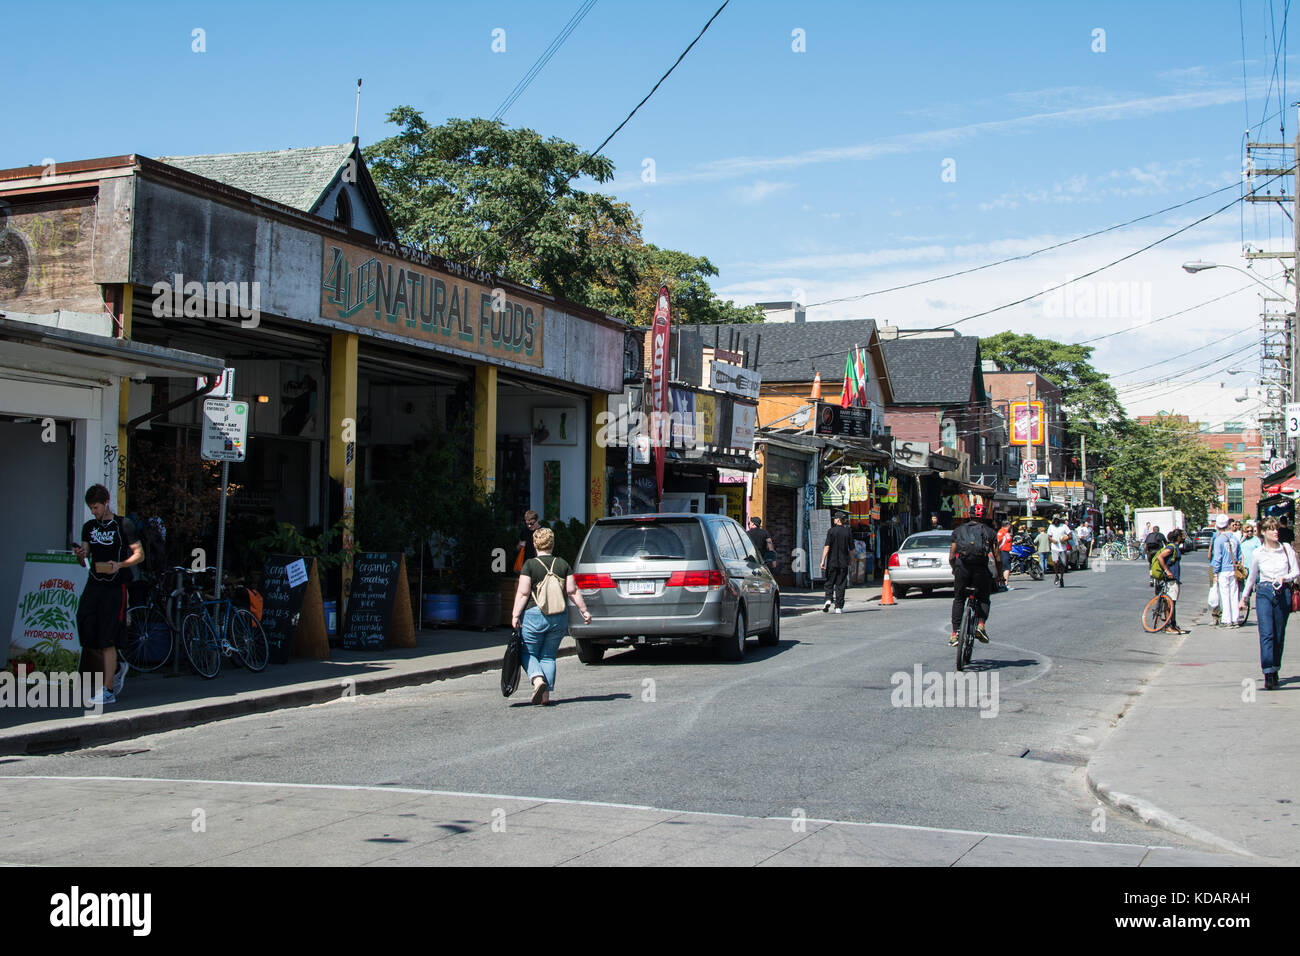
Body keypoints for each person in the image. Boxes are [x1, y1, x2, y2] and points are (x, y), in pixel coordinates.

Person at [72, 484, 144, 706]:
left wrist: (120, 564)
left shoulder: (123, 524)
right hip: (94, 583)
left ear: (106, 503)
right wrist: (81, 554)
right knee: (84, 622)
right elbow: (84, 559)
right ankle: (117, 666)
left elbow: (139, 555)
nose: (93, 511)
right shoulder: (89, 527)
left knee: (107, 637)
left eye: (96, 507)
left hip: (115, 586)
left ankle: (109, 689)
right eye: (91, 508)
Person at [511, 526, 591, 705]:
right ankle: (545, 696)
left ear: (535, 544)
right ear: (552, 544)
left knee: (527, 652)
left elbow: (523, 593)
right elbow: (572, 590)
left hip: (534, 615)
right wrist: (584, 611)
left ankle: (537, 679)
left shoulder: (530, 565)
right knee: (548, 656)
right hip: (558, 616)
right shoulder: (562, 564)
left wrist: (515, 615)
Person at [1238, 517, 1298, 691]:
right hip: (1264, 591)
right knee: (1266, 634)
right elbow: (1251, 577)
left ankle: (1275, 668)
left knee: (1279, 634)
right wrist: (1245, 597)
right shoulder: (1258, 553)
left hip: (1283, 592)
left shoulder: (1286, 549)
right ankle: (1268, 672)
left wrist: (1284, 578)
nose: (1275, 532)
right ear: (1263, 532)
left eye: (1276, 528)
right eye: (1271, 529)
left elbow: (1295, 571)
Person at [947, 501, 1001, 646]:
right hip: (980, 570)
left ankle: (954, 634)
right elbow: (997, 557)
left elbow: (951, 556)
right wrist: (999, 575)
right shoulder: (990, 532)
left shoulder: (958, 531)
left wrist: (954, 569)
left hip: (962, 569)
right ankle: (981, 625)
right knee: (983, 598)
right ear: (984, 517)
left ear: (969, 515)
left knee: (959, 599)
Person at [1153, 529, 1189, 634]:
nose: (1184, 536)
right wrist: (1167, 570)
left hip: (1174, 578)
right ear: (1177, 537)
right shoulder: (1171, 547)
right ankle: (1168, 626)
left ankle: (1173, 625)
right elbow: (1160, 557)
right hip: (1170, 579)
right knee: (1169, 603)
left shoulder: (1175, 547)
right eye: (1182, 535)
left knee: (1172, 603)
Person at [1211, 513, 1243, 628]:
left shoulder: (1218, 540)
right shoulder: (1235, 538)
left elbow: (1217, 558)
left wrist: (1215, 572)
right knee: (1234, 595)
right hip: (1233, 570)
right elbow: (1239, 556)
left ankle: (1226, 620)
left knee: (1225, 595)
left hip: (1223, 571)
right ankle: (1235, 619)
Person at [820, 511, 853, 613]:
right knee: (841, 584)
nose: (833, 519)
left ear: (838, 520)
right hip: (843, 562)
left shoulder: (831, 531)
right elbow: (852, 549)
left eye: (835, 518)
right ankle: (838, 606)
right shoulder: (848, 532)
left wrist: (823, 560)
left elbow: (827, 547)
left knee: (829, 582)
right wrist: (851, 560)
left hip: (832, 562)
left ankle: (828, 599)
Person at [1048, 515, 1071, 587]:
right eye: (1055, 520)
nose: (1056, 521)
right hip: (1054, 547)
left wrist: (1065, 538)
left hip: (1063, 548)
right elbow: (1049, 536)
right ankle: (1056, 575)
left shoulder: (1064, 526)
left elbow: (1070, 536)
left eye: (1057, 520)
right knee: (1055, 562)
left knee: (1063, 564)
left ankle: (1061, 578)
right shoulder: (1051, 527)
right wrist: (1052, 540)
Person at [996, 519, 1013, 590]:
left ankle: (1004, 584)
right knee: (1006, 568)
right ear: (1008, 525)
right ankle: (1005, 584)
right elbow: (997, 541)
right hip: (1003, 551)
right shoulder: (1001, 532)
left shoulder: (1006, 532)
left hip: (1006, 551)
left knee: (1006, 568)